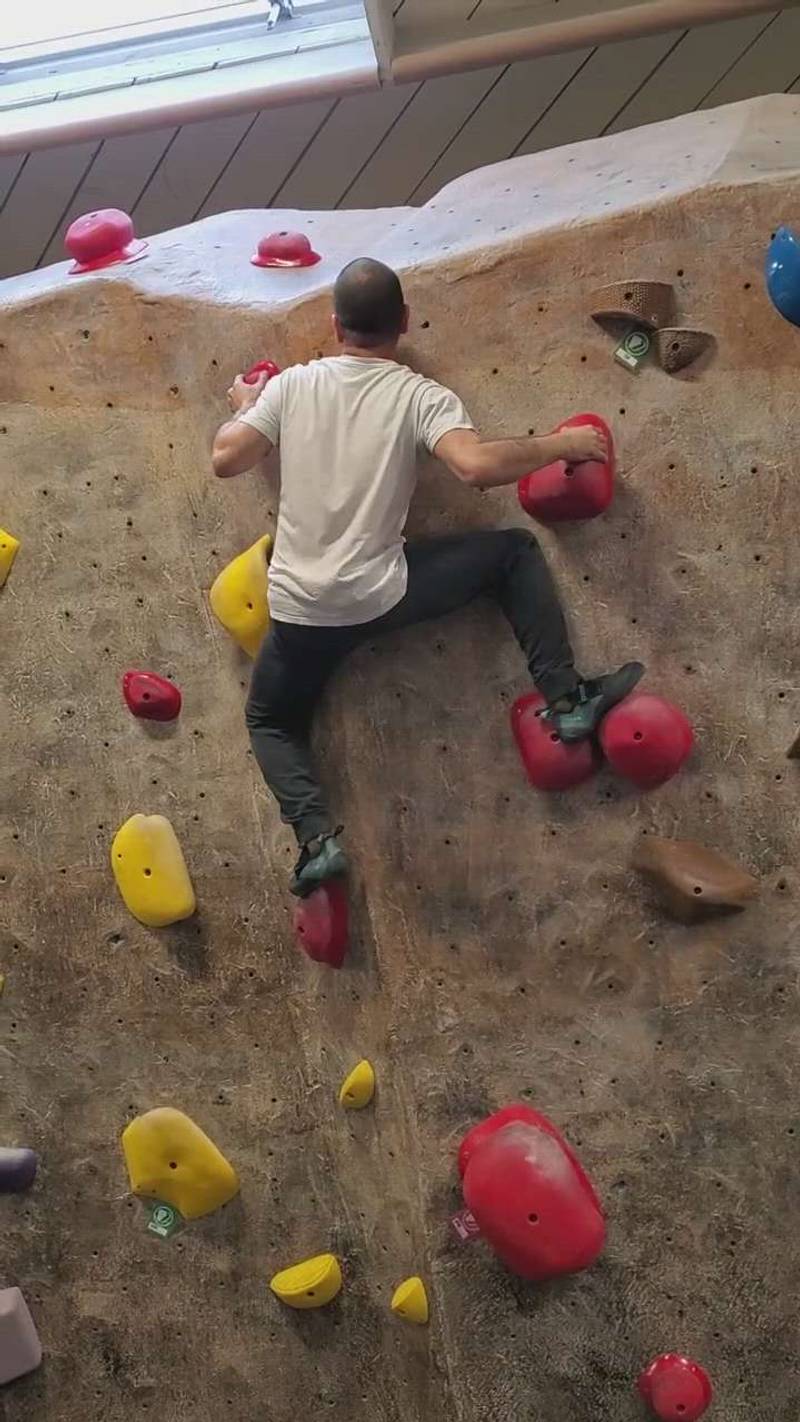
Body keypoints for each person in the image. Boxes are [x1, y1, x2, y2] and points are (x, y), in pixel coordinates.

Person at [211, 258, 642, 898]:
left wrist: (247, 407)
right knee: (514, 552)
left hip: (300, 612)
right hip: (379, 595)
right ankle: (568, 699)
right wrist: (561, 445)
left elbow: (226, 458)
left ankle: (316, 841)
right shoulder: (418, 394)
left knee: (271, 722)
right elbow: (473, 467)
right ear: (405, 322)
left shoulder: (292, 387)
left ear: (334, 325)